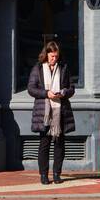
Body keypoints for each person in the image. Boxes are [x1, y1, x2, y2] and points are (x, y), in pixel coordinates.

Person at [28, 39, 76, 185]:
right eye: (52, 56)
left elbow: (71, 88)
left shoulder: (64, 68)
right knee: (44, 143)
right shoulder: (38, 68)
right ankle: (43, 174)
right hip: (44, 112)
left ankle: (56, 174)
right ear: (46, 55)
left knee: (60, 143)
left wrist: (63, 92)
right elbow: (31, 88)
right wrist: (45, 93)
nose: (54, 59)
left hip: (60, 110)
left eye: (56, 56)